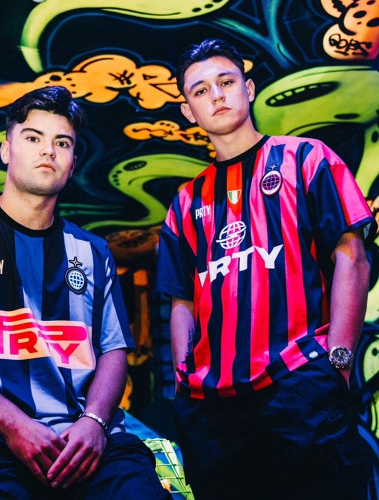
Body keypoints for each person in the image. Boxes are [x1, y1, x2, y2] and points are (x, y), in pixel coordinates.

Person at [0, 86, 170, 499]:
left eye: (62, 143)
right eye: (33, 137)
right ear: (6, 150)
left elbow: (114, 350)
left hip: (88, 442)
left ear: (73, 163)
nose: (48, 151)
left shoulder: (93, 252)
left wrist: (94, 422)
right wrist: (14, 424)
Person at [155, 39, 377, 500]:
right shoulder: (184, 203)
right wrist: (183, 385)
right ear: (189, 111)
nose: (216, 95)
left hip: (301, 386)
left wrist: (336, 364)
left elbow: (352, 257)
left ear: (250, 88)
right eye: (201, 90)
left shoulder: (307, 158)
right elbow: (182, 302)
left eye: (226, 81)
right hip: (212, 412)